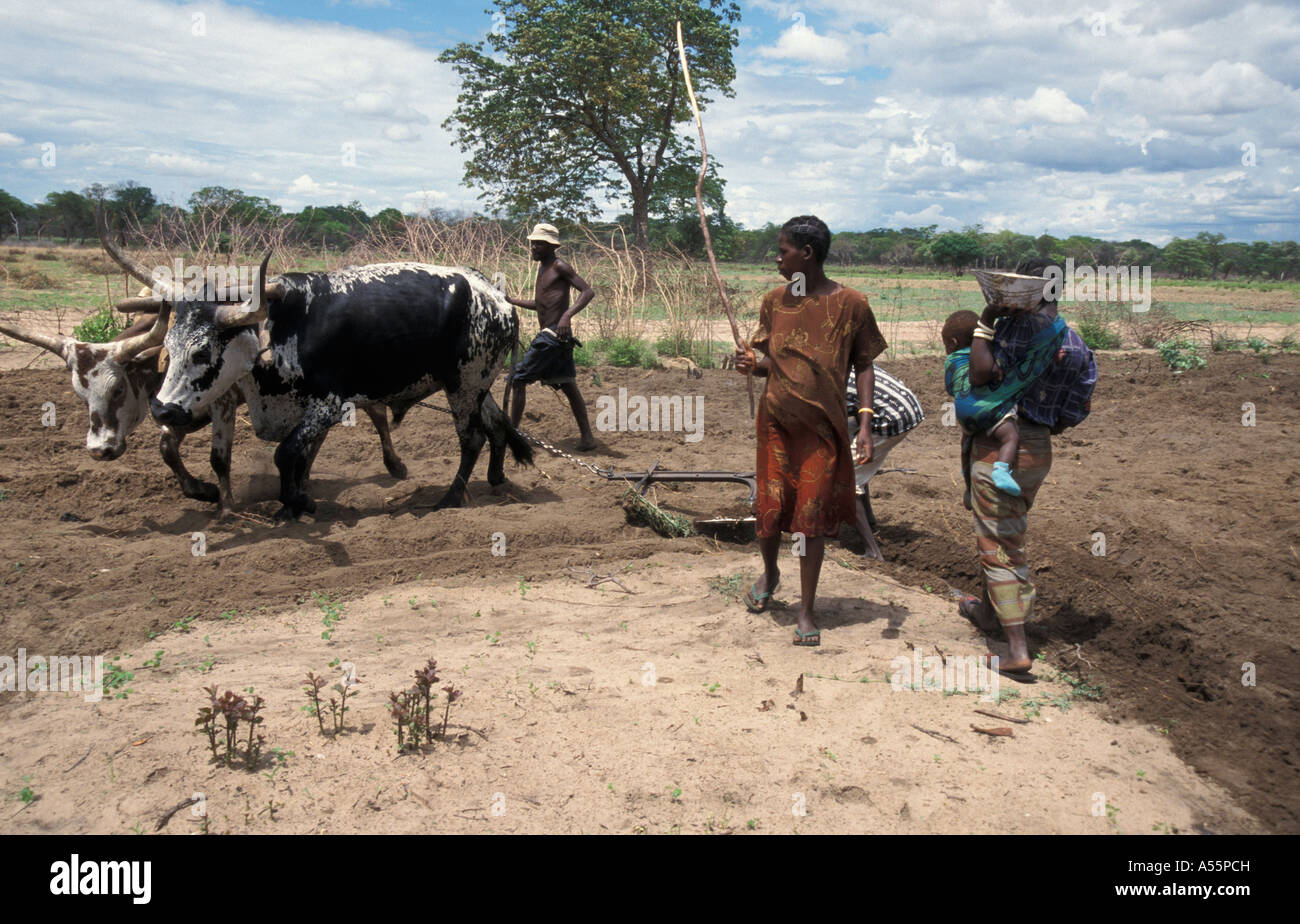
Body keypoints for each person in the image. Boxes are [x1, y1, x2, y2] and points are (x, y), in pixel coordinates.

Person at [735, 215, 887, 646]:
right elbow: (769, 364)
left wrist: (866, 424)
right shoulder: (774, 302)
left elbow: (864, 365)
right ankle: (769, 575)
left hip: (822, 430)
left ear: (808, 254)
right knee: (770, 506)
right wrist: (751, 364)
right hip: (777, 424)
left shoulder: (852, 304)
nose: (777, 258)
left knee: (811, 519)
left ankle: (806, 608)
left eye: (783, 251)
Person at [955, 257, 1097, 677]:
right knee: (1002, 530)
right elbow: (1078, 409)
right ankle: (987, 613)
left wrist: (984, 321)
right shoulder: (1075, 344)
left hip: (997, 450)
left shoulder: (1012, 330)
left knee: (1000, 545)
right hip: (1038, 452)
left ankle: (1016, 648)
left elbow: (979, 375)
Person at [942, 308, 1066, 499]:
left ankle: (968, 488)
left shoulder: (952, 359)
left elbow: (951, 388)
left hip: (964, 413)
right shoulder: (990, 351)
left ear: (953, 343)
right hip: (990, 410)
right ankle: (1001, 469)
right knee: (1010, 437)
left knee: (966, 444)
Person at [504, 222, 598, 451]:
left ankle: (513, 436)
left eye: (538, 244)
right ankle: (588, 438)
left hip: (553, 335)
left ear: (550, 246)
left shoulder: (560, 267)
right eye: (532, 243)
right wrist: (512, 301)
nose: (533, 247)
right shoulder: (542, 268)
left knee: (517, 379)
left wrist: (567, 316)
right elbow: (541, 304)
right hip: (556, 338)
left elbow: (588, 292)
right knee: (568, 385)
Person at [845, 365, 925, 558]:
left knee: (846, 479)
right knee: (856, 458)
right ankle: (869, 520)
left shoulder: (822, 380)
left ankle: (872, 551)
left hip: (892, 416)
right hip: (906, 406)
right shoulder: (839, 360)